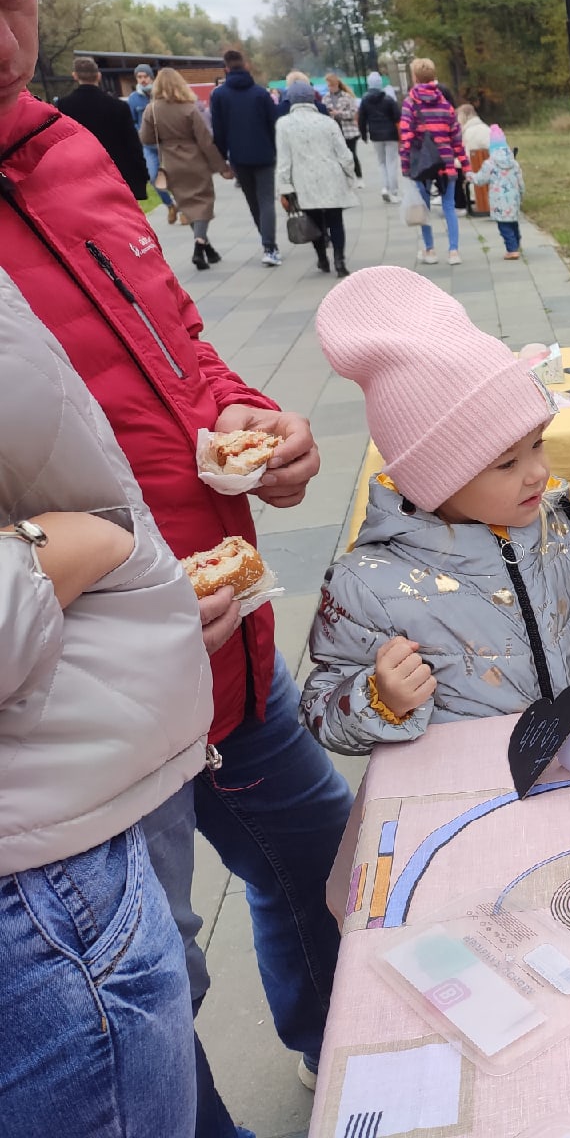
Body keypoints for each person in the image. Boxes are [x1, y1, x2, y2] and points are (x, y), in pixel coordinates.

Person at [0, 0, 354, 1127]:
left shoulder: (67, 153)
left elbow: (176, 355)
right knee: (146, 994)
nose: (11, 42)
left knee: (323, 862)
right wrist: (109, 585)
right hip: (75, 718)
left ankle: (333, 1049)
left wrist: (248, 417)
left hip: (231, 649)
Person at [0, 266, 213, 1134]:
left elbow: (167, 339)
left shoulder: (71, 160)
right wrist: (68, 546)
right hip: (41, 865)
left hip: (77, 770)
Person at [304, 267, 570, 752]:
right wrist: (379, 700)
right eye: (506, 463)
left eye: (537, 444)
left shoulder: (558, 529)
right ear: (434, 480)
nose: (537, 474)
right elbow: (319, 707)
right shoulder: (366, 585)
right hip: (465, 786)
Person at [139, 67, 232, 272]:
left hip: (171, 163)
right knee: (203, 202)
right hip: (194, 160)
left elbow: (145, 138)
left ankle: (208, 249)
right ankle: (200, 244)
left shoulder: (151, 110)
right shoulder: (189, 108)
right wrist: (221, 167)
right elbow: (205, 140)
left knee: (188, 205)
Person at [276, 79, 357, 276]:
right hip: (331, 176)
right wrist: (349, 174)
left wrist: (284, 188)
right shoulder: (327, 121)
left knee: (313, 221)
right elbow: (344, 153)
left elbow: (284, 159)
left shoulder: (284, 124)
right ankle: (340, 261)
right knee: (336, 221)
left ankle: (322, 258)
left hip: (304, 180)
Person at [210, 48, 282, 267]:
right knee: (267, 200)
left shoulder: (219, 95)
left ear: (226, 68)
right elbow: (274, 124)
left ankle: (268, 243)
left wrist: (222, 159)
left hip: (239, 157)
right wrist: (275, 150)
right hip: (265, 154)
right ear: (246, 66)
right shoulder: (260, 94)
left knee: (253, 202)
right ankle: (270, 247)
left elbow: (218, 130)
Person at [399, 56, 466, 265]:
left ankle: (430, 250)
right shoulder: (445, 104)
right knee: (449, 205)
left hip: (423, 162)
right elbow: (457, 137)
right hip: (446, 161)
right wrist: (465, 164)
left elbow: (406, 136)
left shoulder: (410, 103)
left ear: (415, 77)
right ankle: (454, 251)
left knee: (424, 207)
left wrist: (405, 166)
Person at [54, 54, 147, 200]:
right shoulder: (119, 107)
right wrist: (142, 172)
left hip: (83, 174)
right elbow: (132, 144)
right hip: (118, 172)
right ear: (99, 76)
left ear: (75, 76)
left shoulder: (64, 107)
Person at [126, 61, 178, 224]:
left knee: (175, 177)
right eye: (139, 77)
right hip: (148, 146)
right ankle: (170, 205)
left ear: (151, 77)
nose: (142, 80)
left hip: (166, 144)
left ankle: (183, 209)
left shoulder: (161, 95)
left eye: (145, 76)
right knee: (154, 177)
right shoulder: (133, 99)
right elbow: (132, 122)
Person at [471, 124, 524, 259]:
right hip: (514, 199)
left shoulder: (490, 164)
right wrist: (521, 193)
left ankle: (512, 249)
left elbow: (480, 179)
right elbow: (520, 181)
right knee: (513, 222)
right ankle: (516, 243)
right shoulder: (514, 163)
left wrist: (470, 176)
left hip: (498, 201)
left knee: (503, 226)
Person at [358, 70, 401, 201]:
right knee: (391, 162)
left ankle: (384, 187)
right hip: (391, 134)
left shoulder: (365, 101)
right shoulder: (389, 100)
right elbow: (397, 118)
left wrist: (364, 135)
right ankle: (393, 191)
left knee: (381, 162)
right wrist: (401, 135)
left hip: (376, 134)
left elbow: (362, 119)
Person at [323, 72, 363, 187]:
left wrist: (339, 113)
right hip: (334, 129)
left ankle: (359, 177)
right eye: (328, 86)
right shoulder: (325, 98)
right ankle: (346, 178)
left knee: (351, 154)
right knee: (338, 156)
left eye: (330, 85)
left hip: (348, 129)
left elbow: (353, 112)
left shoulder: (347, 96)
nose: (329, 88)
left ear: (335, 84)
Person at [457, 101, 490, 214]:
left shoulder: (470, 132)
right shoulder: (484, 127)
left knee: (453, 169)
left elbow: (467, 159)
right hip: (490, 166)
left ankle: (461, 204)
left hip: (481, 169)